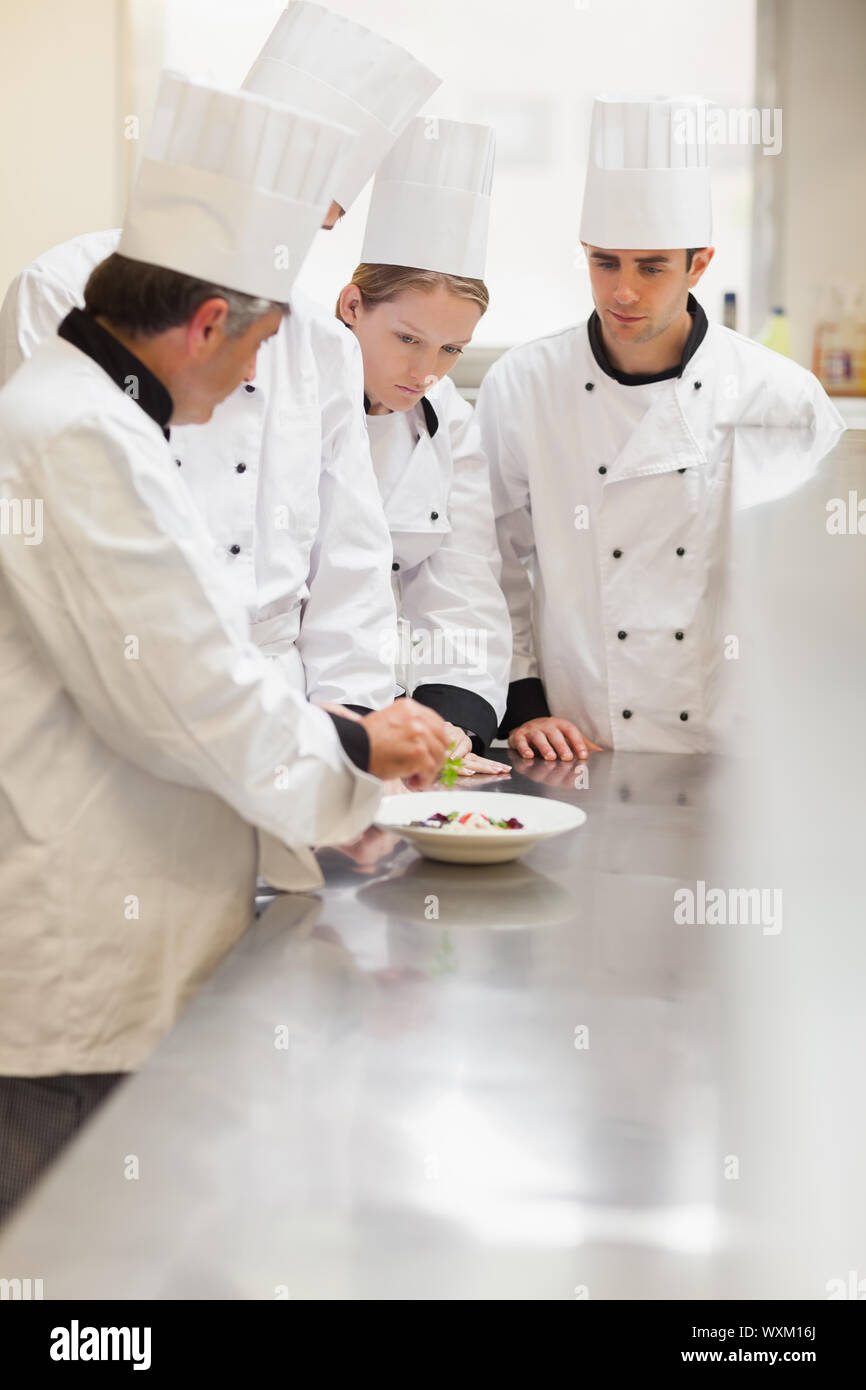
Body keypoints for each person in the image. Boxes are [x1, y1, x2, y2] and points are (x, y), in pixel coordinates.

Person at [0, 75, 448, 1223]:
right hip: (89, 943)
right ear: (205, 324)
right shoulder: (80, 435)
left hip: (141, 910)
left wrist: (344, 742)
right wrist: (353, 753)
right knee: (83, 1268)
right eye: (256, 348)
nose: (258, 379)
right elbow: (181, 690)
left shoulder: (85, 411)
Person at [0, 0, 440, 716]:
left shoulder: (322, 343)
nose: (248, 369)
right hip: (119, 694)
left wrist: (358, 726)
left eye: (319, 224)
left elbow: (350, 559)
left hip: (280, 697)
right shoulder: (60, 291)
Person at [476, 94, 846, 759]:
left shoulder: (779, 398)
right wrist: (522, 703)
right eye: (605, 263)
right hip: (580, 741)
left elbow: (825, 587)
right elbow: (490, 562)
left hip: (738, 754)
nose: (623, 292)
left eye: (651, 268)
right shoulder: (523, 386)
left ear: (698, 264)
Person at [337, 118, 512, 775]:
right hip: (299, 718)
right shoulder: (283, 402)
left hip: (395, 723)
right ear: (352, 305)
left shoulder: (448, 421)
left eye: (450, 350)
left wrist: (448, 728)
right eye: (407, 339)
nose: (424, 371)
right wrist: (358, 733)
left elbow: (461, 589)